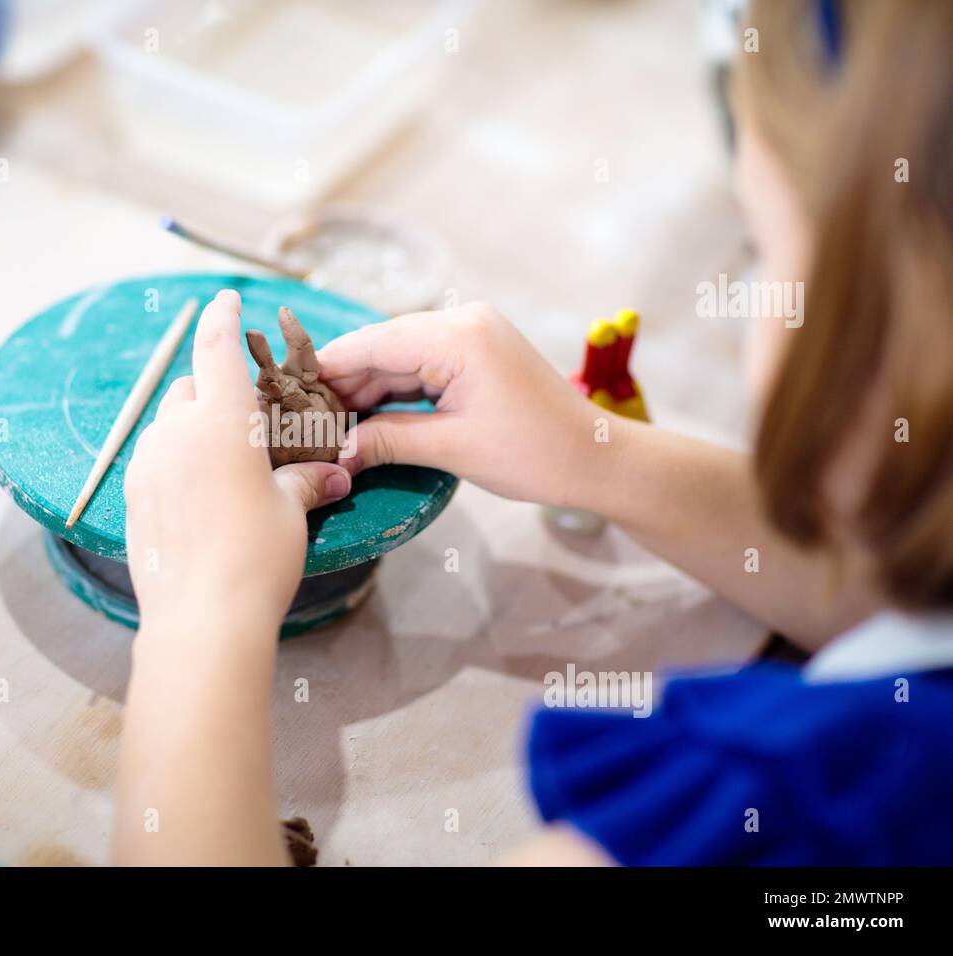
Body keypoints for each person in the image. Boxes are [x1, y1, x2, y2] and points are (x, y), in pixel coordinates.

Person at [111, 0, 953, 865]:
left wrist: (198, 616)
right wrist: (600, 457)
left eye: (763, 251)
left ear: (902, 340)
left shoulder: (799, 807)